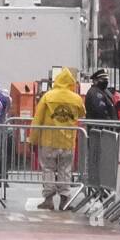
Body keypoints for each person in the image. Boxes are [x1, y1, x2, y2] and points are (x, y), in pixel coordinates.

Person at [27, 67, 86, 210]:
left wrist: (32, 139)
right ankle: (65, 200)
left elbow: (37, 119)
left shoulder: (48, 96)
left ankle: (48, 200)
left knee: (48, 169)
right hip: (67, 141)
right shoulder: (76, 98)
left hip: (48, 140)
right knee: (65, 169)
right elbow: (82, 113)